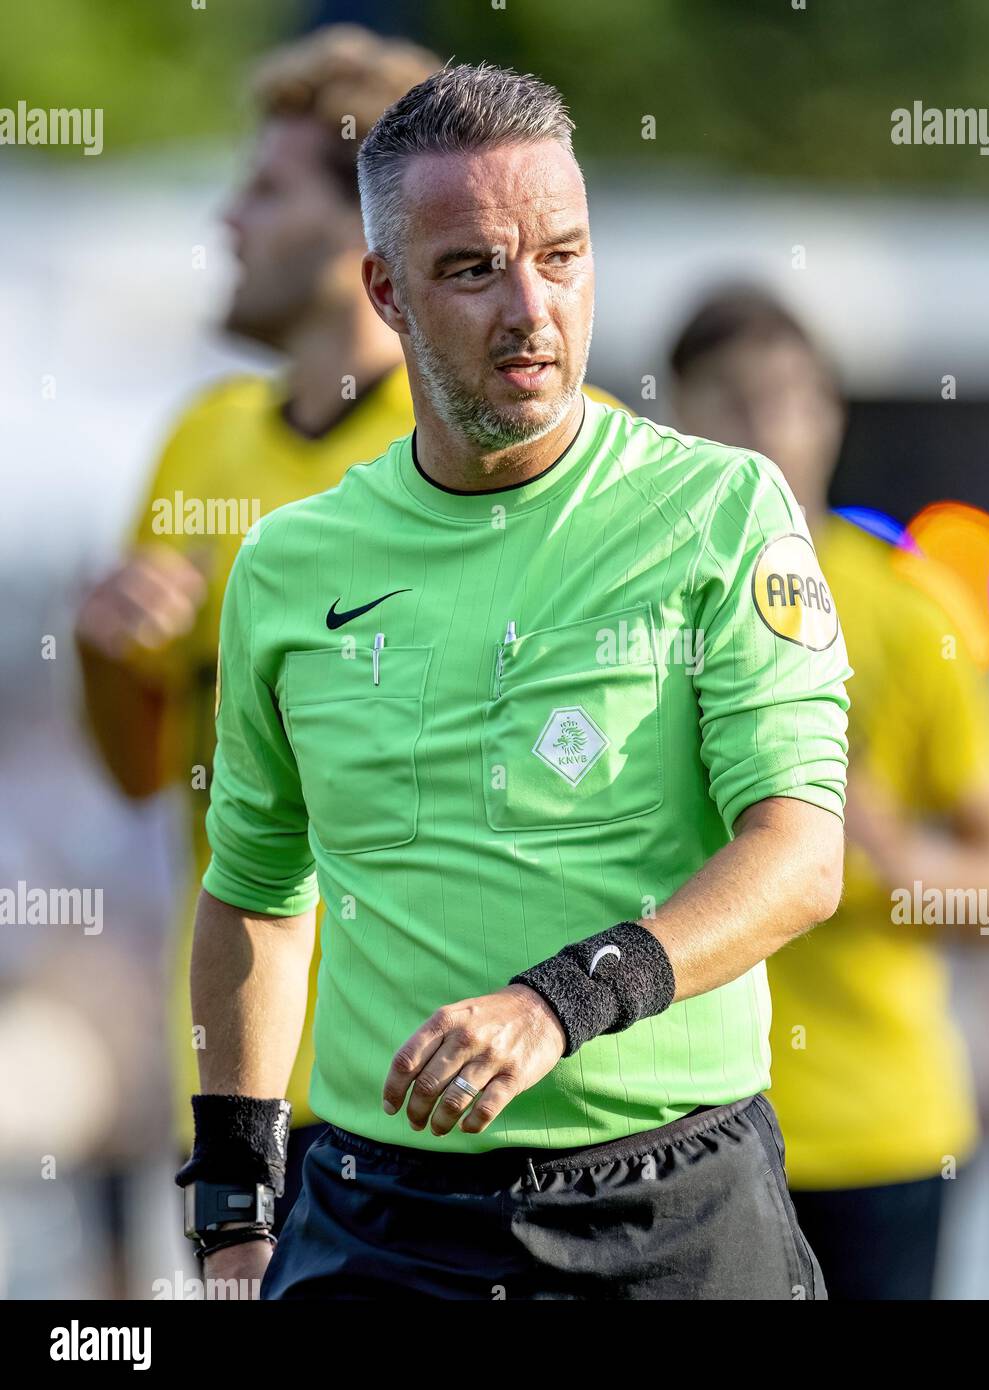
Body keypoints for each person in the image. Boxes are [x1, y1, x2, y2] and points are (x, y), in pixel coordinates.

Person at [176, 63, 853, 1301]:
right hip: (377, 1215)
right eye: (475, 268)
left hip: (675, 1206)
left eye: (562, 254)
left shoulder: (723, 508)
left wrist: (562, 1001)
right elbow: (258, 897)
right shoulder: (288, 563)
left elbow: (799, 853)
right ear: (384, 289)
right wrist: (231, 1209)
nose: (530, 308)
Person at [72, 28, 623, 1238]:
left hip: (459, 1086)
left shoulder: (525, 451)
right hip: (248, 1086)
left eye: (264, 190)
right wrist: (114, 659)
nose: (229, 222)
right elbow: (139, 771)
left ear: (357, 237)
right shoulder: (205, 442)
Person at [670, 286, 989, 1299]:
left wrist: (890, 854)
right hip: (678, 1124)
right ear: (675, 413)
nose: (770, 429)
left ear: (831, 414)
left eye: (795, 398)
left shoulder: (903, 611)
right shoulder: (633, 607)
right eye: (736, 399)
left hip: (880, 1130)